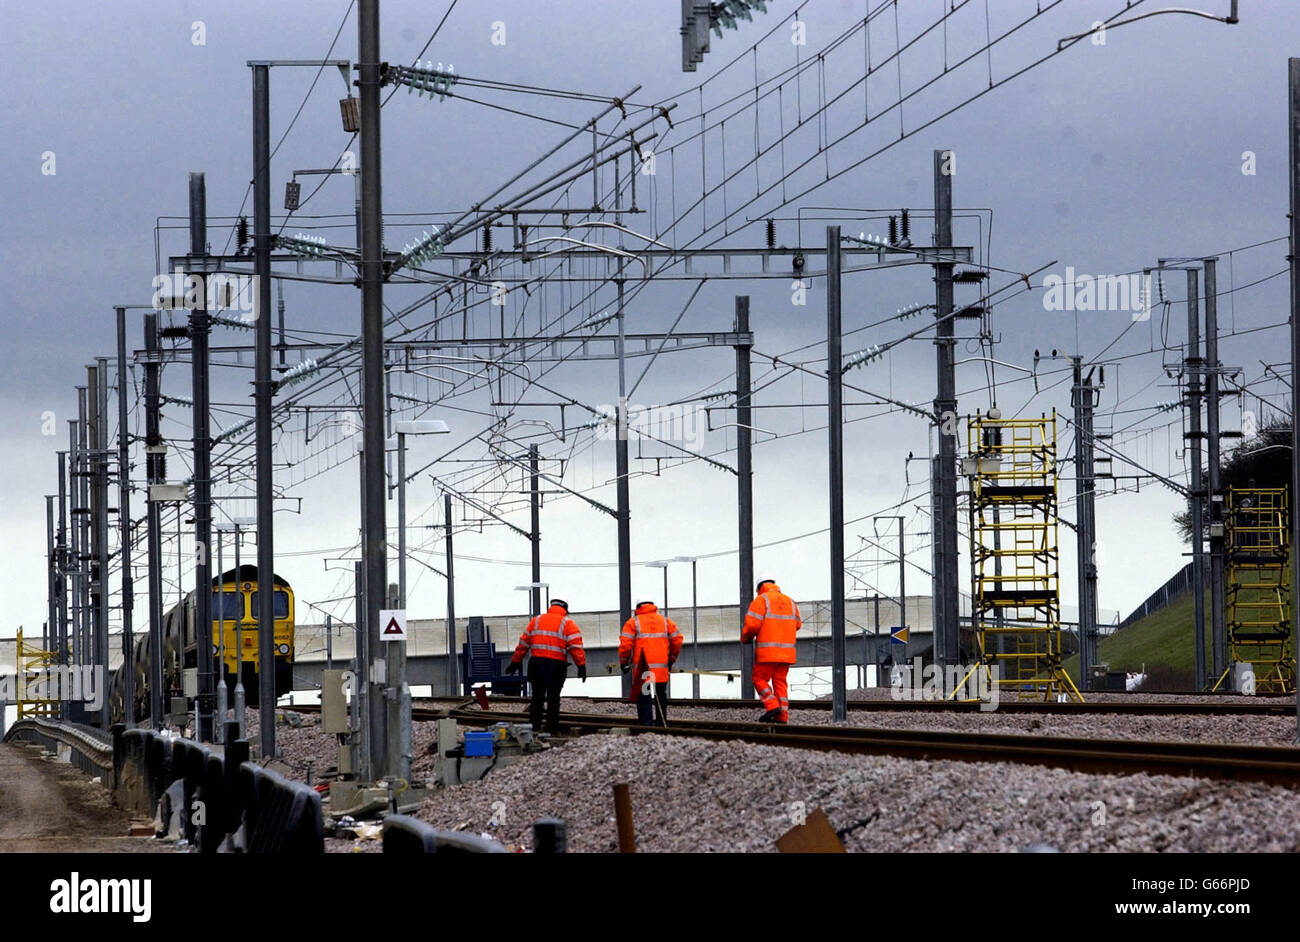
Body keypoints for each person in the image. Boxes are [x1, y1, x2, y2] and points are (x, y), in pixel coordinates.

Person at [506, 598, 586, 736]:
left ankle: (534, 727)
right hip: (556, 666)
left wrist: (515, 661)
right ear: (565, 609)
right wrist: (581, 666)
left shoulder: (536, 621)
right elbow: (575, 647)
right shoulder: (568, 623)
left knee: (537, 697)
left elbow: (523, 642)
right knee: (553, 699)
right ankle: (551, 729)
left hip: (536, 664)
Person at [742, 579, 801, 723]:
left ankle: (772, 706)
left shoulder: (761, 600)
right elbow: (798, 624)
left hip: (767, 652)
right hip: (786, 653)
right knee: (780, 682)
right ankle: (782, 715)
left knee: (759, 679)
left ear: (760, 587)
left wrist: (745, 638)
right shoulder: (790, 602)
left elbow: (751, 626)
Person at [619, 600, 682, 727]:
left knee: (644, 698)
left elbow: (625, 646)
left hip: (644, 671)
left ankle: (647, 727)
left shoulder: (633, 622)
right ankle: (662, 724)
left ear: (637, 607)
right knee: (661, 697)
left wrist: (624, 662)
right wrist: (671, 660)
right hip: (661, 670)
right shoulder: (665, 621)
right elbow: (677, 641)